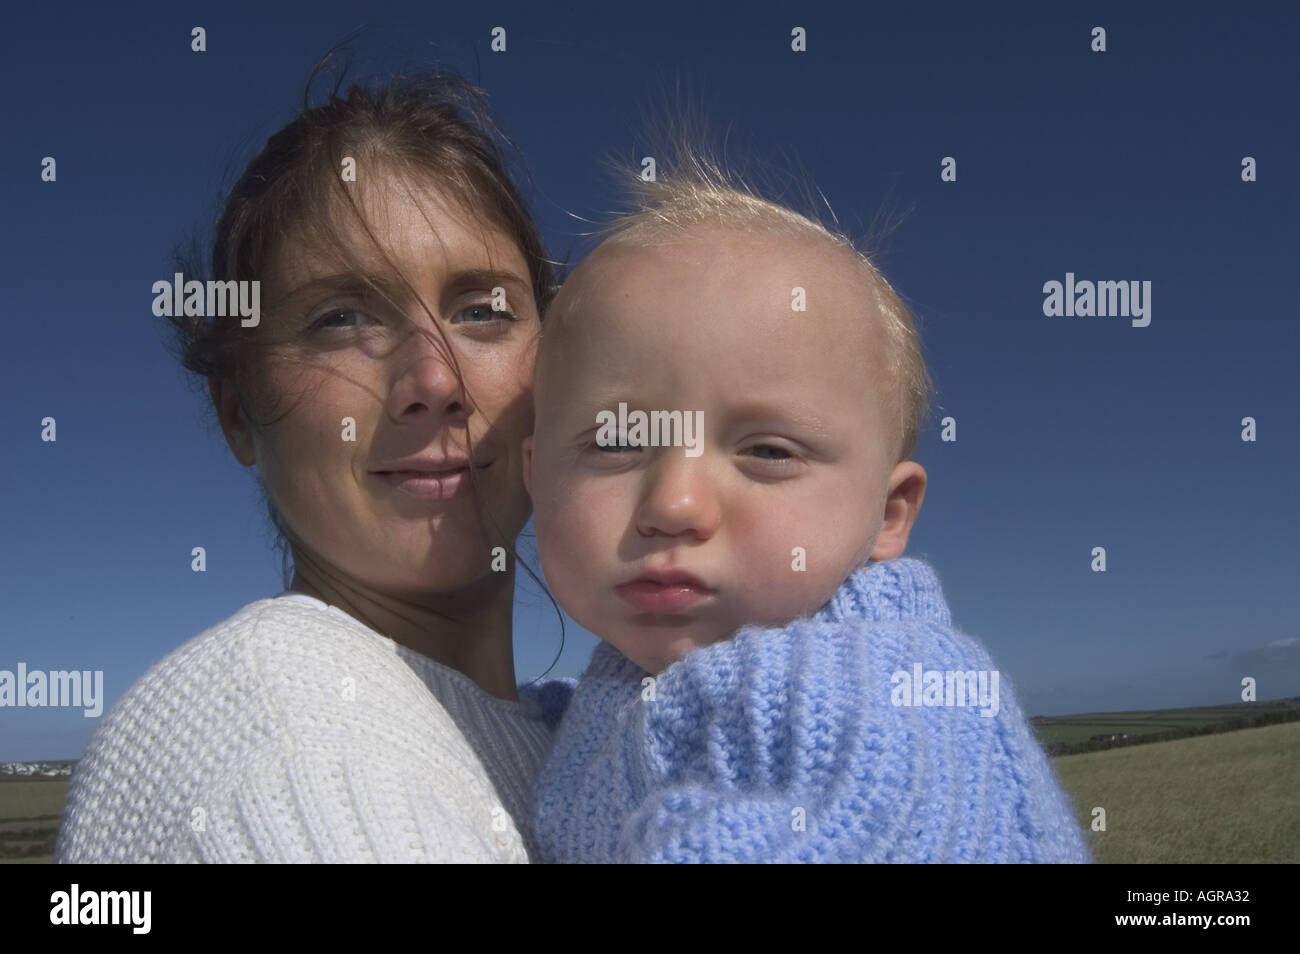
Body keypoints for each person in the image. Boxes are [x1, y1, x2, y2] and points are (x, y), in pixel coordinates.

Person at [55, 70, 573, 863]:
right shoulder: (276, 751)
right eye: (341, 320)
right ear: (239, 411)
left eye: (482, 310)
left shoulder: (585, 740)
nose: (435, 383)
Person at [522, 154, 1094, 862]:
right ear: (535, 477)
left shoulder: (885, 691)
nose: (673, 504)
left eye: (767, 452)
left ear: (887, 516)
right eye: (616, 440)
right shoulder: (639, 673)